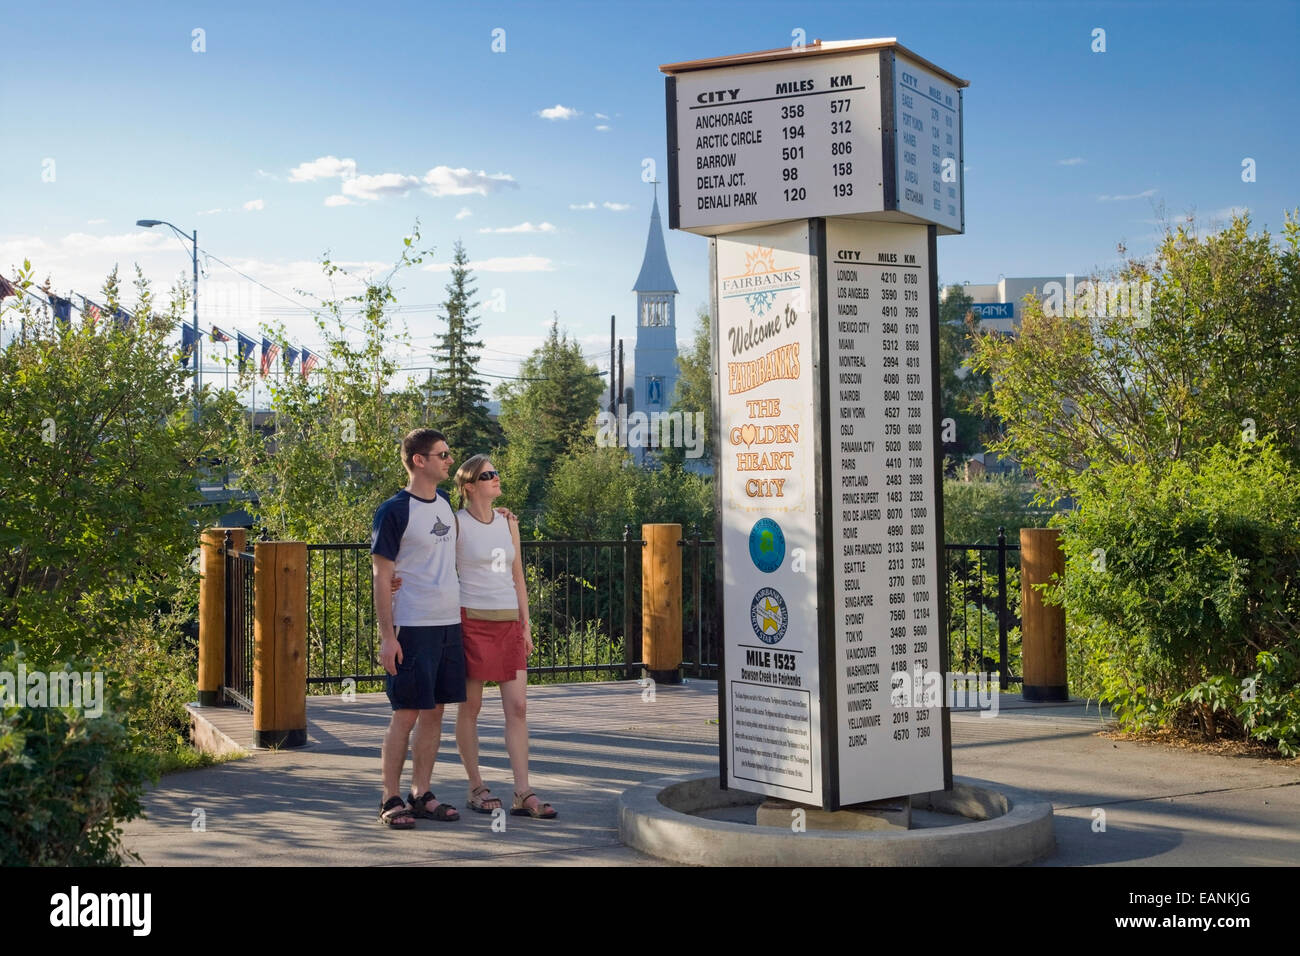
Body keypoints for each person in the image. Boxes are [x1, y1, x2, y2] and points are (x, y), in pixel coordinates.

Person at [453, 454, 557, 819]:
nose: (497, 478)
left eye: (497, 472)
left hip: (509, 621)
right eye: (488, 475)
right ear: (469, 487)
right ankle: (475, 786)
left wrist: (526, 625)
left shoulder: (507, 522)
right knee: (472, 707)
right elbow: (440, 569)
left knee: (518, 708)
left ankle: (522, 792)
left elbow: (518, 576)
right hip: (472, 620)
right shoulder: (457, 524)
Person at [371, 428, 465, 828]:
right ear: (418, 461)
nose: (449, 460)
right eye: (442, 454)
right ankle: (390, 798)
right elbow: (381, 575)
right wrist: (388, 636)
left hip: (449, 625)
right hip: (411, 626)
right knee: (406, 714)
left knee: (435, 712)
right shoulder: (393, 511)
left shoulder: (444, 502)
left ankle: (420, 792)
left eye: (448, 454)